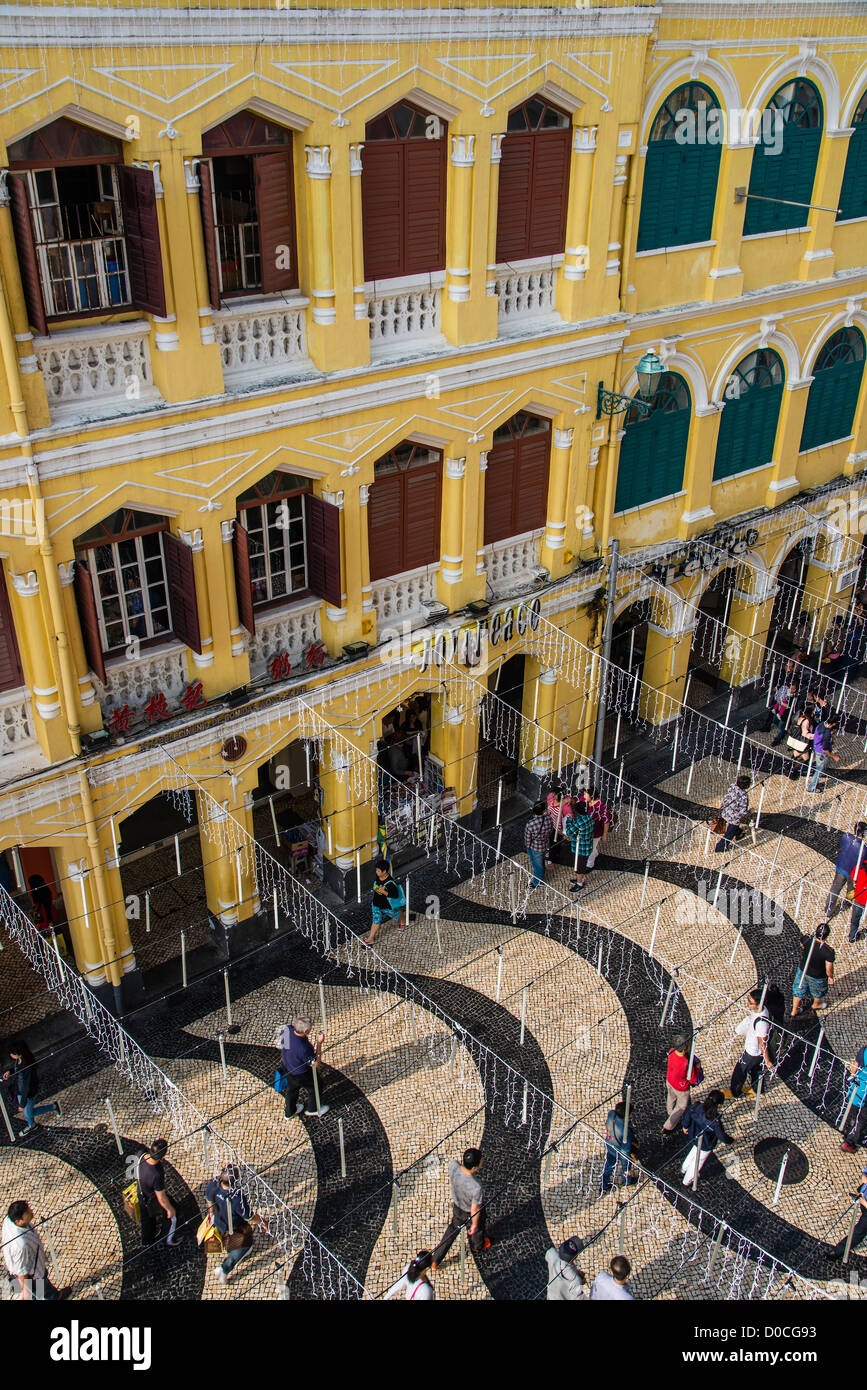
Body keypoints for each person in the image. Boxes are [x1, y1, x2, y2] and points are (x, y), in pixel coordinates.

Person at [431, 1147, 490, 1269]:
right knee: (477, 1230)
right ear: (475, 1167)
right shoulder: (476, 1187)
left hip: (457, 1207)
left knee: (452, 1229)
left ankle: (436, 1259)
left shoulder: (453, 1166)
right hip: (468, 1212)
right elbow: (475, 1209)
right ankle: (477, 1246)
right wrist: (474, 1225)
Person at [1, 1200, 71, 1300]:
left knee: (33, 1293)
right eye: (27, 1212)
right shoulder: (21, 1245)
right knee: (42, 1293)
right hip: (32, 1276)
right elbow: (22, 1272)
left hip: (15, 1270)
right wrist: (25, 1292)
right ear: (19, 1221)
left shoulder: (9, 1220)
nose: (31, 1211)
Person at [204, 1165, 259, 1285]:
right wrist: (263, 1222)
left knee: (229, 1240)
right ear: (235, 1181)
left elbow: (208, 1198)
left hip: (219, 1222)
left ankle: (233, 1249)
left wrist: (211, 1212)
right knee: (241, 1246)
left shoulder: (213, 1184)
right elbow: (248, 1216)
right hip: (235, 1228)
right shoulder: (236, 1198)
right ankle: (224, 1269)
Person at [3, 1040, 61, 1136]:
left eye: (12, 1053)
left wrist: (22, 1104)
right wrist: (10, 1071)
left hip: (27, 1094)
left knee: (28, 1113)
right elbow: (18, 1070)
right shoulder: (21, 1060)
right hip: (20, 1091)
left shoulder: (27, 1067)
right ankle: (32, 1124)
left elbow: (26, 1088)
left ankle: (53, 1107)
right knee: (28, 1112)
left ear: (19, 1054)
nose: (11, 1055)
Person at [724, 989, 771, 1098]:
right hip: (756, 1052)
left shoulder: (761, 1024)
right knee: (756, 1071)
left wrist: (767, 1060)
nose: (747, 1003)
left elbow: (762, 1042)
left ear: (759, 1004)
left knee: (740, 1071)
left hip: (752, 1052)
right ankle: (758, 1089)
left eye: (750, 1002)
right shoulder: (762, 1011)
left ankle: (735, 1092)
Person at [680, 1089, 733, 1186]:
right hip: (706, 1144)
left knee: (694, 1151)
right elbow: (721, 1135)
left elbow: (688, 1114)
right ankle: (687, 1180)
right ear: (719, 1105)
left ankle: (684, 1168)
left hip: (693, 1135)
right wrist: (731, 1141)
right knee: (698, 1162)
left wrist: (685, 1126)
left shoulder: (697, 1106)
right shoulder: (715, 1121)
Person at [280, 1016, 329, 1118]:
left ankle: (290, 1112)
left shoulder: (287, 1029)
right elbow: (315, 1063)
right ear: (306, 1031)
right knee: (316, 1086)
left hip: (287, 1066)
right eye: (310, 1028)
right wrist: (319, 1043)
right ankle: (313, 1109)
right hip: (300, 1073)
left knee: (291, 1089)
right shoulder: (303, 1048)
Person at [136, 1139, 182, 1248]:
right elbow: (161, 1198)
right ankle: (167, 1239)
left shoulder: (141, 1154)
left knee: (146, 1219)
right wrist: (170, 1209)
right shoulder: (156, 1173)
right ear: (162, 1156)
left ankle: (147, 1241)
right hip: (152, 1199)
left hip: (141, 1194)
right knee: (171, 1214)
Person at [790, 922, 835, 1016]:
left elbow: (802, 945)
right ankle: (816, 1004)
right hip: (817, 975)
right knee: (818, 991)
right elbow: (828, 968)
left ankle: (794, 1010)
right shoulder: (828, 951)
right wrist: (830, 977)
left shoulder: (807, 939)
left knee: (798, 989)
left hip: (803, 970)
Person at [662, 1035, 702, 1135]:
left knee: (671, 1097)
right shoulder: (686, 1062)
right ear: (685, 1049)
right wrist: (697, 1068)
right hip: (681, 1088)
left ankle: (670, 1111)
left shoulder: (671, 1051)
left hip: (670, 1081)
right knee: (681, 1107)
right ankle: (668, 1127)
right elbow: (693, 1079)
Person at [825, 1166, 867, 1262]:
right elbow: (864, 1176)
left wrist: (864, 1203)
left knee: (858, 1232)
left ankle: (838, 1251)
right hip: (863, 1197)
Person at [825, 822, 866, 919]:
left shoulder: (846, 836)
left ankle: (828, 910)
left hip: (841, 867)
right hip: (852, 873)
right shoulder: (864, 849)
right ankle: (847, 903)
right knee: (851, 889)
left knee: (835, 889)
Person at [364, 862, 407, 945]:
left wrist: (384, 892)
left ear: (384, 871)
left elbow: (395, 895)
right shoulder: (378, 877)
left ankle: (402, 921)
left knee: (397, 914)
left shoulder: (390, 883)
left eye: (378, 870)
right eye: (376, 870)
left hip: (387, 906)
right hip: (376, 904)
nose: (376, 872)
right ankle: (371, 938)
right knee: (376, 920)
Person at [601, 1099, 637, 1194]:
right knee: (626, 1167)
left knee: (609, 1164)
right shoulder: (625, 1132)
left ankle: (603, 1185)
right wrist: (626, 1168)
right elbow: (625, 1151)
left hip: (609, 1144)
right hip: (619, 1150)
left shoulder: (611, 1114)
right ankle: (626, 1181)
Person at [714, 775, 751, 852]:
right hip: (734, 817)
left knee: (733, 828)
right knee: (729, 833)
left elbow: (726, 798)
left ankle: (739, 833)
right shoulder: (744, 797)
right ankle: (720, 848)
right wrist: (750, 812)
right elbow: (742, 812)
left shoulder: (732, 786)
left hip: (725, 812)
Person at [840, 1047, 867, 1153]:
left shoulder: (864, 1051)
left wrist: (852, 1076)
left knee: (854, 1115)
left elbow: (855, 1064)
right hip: (864, 1098)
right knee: (862, 1121)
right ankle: (850, 1142)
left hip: (855, 1091)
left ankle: (849, 1130)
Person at [565, 798, 595, 894]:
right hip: (587, 846)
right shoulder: (589, 818)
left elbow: (569, 831)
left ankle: (579, 883)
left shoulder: (580, 822)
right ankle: (579, 879)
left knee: (579, 867)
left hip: (580, 848)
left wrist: (569, 820)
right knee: (580, 865)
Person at [524, 800, 554, 889]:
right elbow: (551, 830)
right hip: (545, 844)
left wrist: (528, 846)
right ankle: (539, 875)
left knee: (537, 865)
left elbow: (527, 839)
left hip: (535, 847)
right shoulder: (549, 819)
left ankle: (537, 882)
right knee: (540, 862)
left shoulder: (530, 824)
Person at [806, 716, 841, 792]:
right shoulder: (826, 734)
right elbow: (825, 750)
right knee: (819, 770)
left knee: (819, 768)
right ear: (833, 724)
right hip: (821, 753)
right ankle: (812, 787)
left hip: (817, 747)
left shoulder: (822, 724)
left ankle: (815, 783)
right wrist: (834, 756)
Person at [585, 787, 612, 869]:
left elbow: (606, 821)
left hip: (595, 832)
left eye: (586, 795)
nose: (584, 797)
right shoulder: (587, 801)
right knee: (590, 846)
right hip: (587, 830)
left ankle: (590, 864)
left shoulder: (601, 806)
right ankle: (595, 853)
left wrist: (604, 834)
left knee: (591, 849)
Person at [545, 786, 573, 859]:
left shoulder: (566, 806)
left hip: (559, 828)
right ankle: (550, 851)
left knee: (556, 842)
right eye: (553, 793)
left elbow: (569, 819)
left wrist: (564, 831)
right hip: (550, 824)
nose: (553, 796)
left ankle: (554, 854)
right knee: (549, 840)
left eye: (555, 794)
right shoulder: (550, 797)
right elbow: (548, 808)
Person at [787, 706, 815, 776]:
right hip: (802, 742)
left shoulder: (800, 717)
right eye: (813, 711)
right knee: (806, 759)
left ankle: (789, 769)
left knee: (795, 756)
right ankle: (794, 770)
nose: (814, 713)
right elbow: (805, 733)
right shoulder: (806, 721)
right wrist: (815, 736)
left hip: (796, 741)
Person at [851, 857, 867, 943]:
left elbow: (853, 875)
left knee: (855, 919)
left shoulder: (860, 867)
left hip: (859, 898)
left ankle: (852, 936)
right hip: (861, 898)